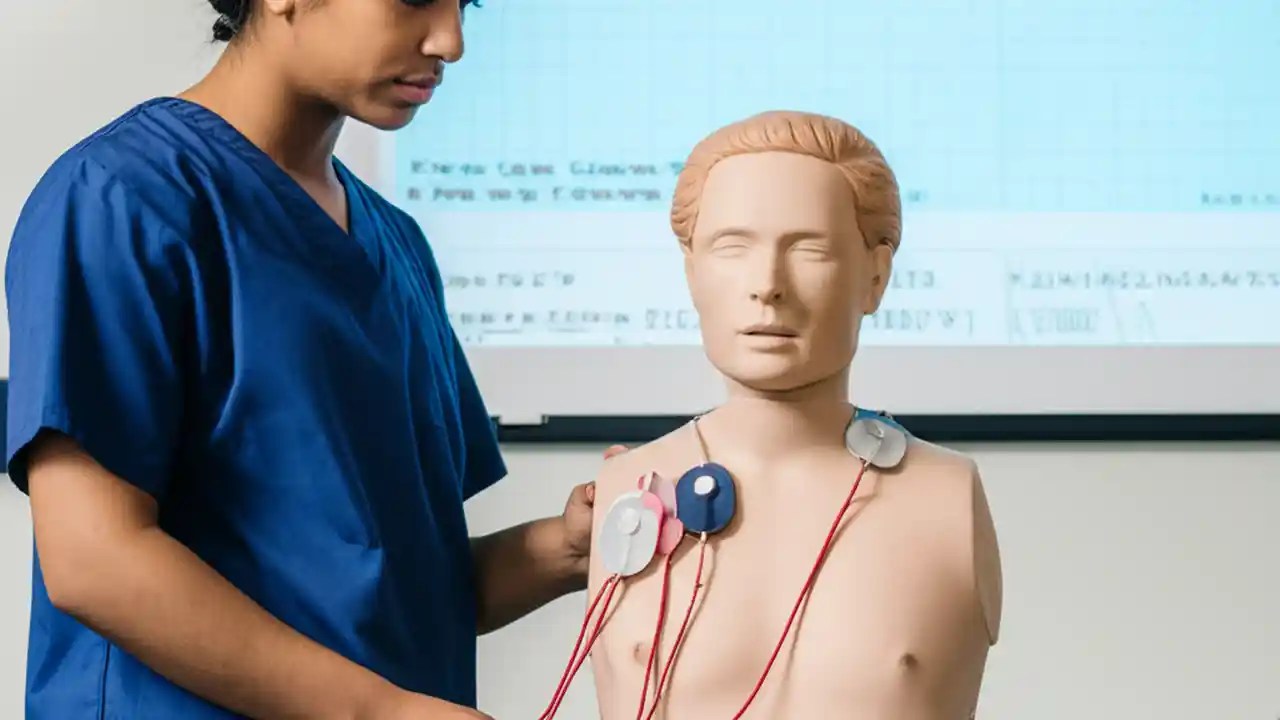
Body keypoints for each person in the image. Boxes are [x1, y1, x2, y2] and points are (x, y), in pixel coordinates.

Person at [5, 1, 617, 718]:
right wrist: (378, 711)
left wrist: (569, 550)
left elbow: (402, 590)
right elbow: (94, 562)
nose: (449, 40)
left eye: (465, 4)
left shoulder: (398, 245)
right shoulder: (123, 198)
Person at [584, 111, 1001, 719]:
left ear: (876, 276)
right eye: (733, 247)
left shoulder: (946, 491)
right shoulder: (629, 492)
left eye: (809, 250)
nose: (767, 284)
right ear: (691, 270)